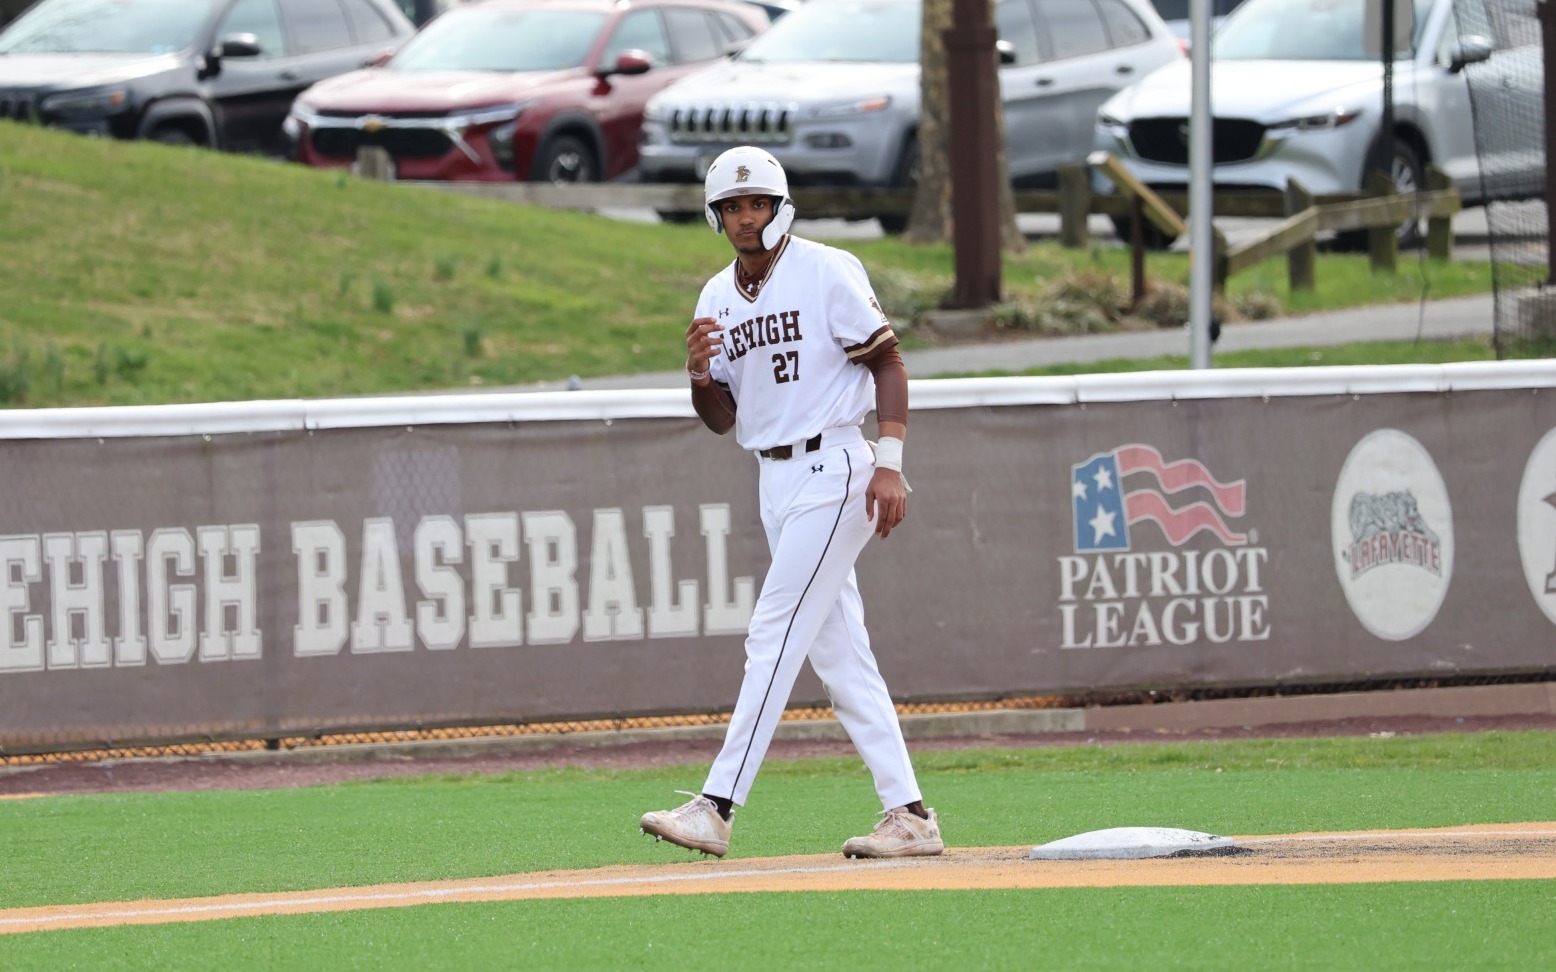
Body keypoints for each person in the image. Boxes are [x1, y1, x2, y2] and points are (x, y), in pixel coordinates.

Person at [638, 145, 942, 860]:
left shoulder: (826, 268)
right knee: (841, 657)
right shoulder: (715, 296)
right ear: (716, 217)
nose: (746, 217)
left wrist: (889, 463)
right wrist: (698, 375)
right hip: (773, 477)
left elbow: (887, 361)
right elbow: (722, 418)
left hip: (835, 464)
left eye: (758, 204)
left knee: (772, 634)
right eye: (732, 206)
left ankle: (716, 805)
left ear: (781, 207)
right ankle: (910, 816)